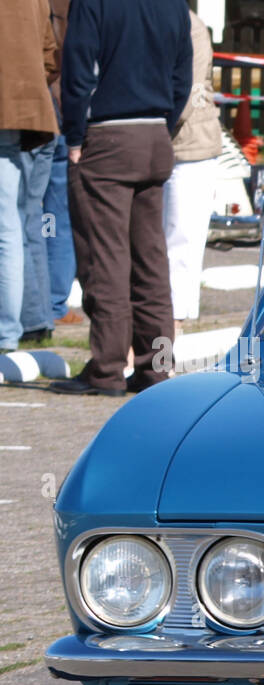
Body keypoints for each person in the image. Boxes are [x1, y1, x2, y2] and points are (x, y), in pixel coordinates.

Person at [53, 0, 191, 397]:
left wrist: (75, 134)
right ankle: (157, 367)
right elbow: (183, 75)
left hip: (107, 136)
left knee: (105, 257)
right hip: (154, 135)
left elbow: (79, 68)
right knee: (151, 261)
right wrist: (163, 122)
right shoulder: (174, 5)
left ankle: (107, 369)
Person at [0, 0, 58, 355]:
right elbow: (50, 55)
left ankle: (8, 331)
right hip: (21, 113)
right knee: (13, 225)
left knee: (11, 226)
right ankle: (10, 330)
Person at [164, 9, 222, 337]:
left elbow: (188, 92)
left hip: (192, 149)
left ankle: (174, 325)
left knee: (182, 241)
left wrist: (154, 128)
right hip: (163, 144)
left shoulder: (191, 27)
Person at [43, 0, 79, 327]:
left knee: (35, 219)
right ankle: (53, 302)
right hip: (61, 112)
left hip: (42, 112)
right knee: (55, 218)